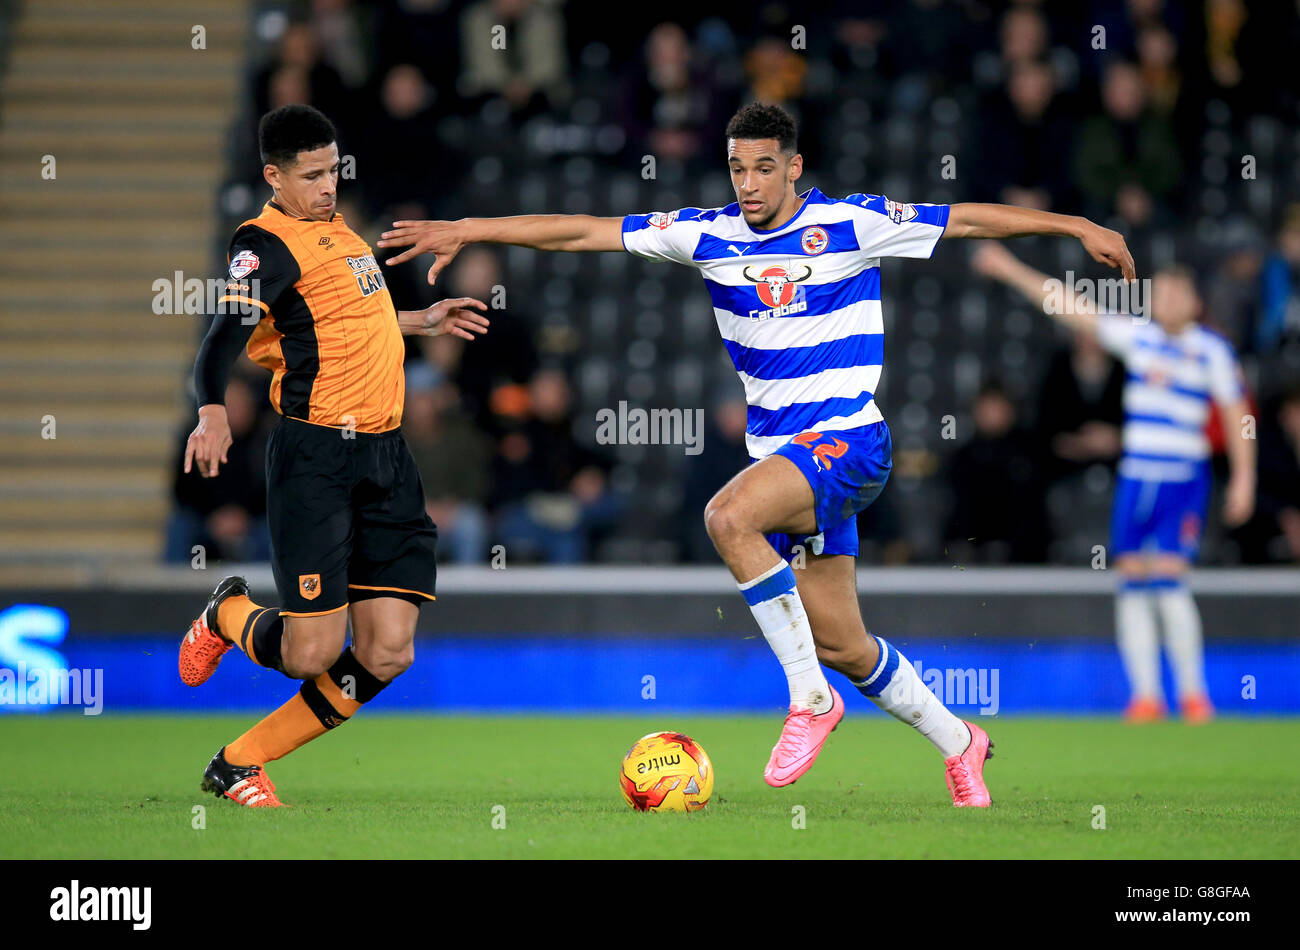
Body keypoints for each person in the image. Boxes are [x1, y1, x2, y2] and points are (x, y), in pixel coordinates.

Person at [377, 102, 1136, 807]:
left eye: (763, 167)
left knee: (728, 515)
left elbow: (968, 220)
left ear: (794, 166)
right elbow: (583, 230)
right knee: (843, 641)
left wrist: (1073, 225)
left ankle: (807, 699)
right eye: (738, 167)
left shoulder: (853, 223)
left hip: (849, 442)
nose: (748, 183)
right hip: (789, 465)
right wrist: (469, 228)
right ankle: (960, 740)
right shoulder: (706, 234)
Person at [180, 104, 490, 807]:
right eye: (313, 175)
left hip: (385, 455)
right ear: (273, 177)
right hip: (315, 458)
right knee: (309, 653)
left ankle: (240, 762)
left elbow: (340, 319)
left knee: (387, 651)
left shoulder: (340, 233)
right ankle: (229, 615)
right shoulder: (263, 243)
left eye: (334, 170)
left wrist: (417, 320)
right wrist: (211, 409)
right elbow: (221, 336)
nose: (328, 185)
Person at [972, 241, 1255, 723]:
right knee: (1132, 582)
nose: (1164, 302)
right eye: (1158, 293)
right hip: (1137, 478)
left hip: (1181, 478)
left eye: (1174, 293)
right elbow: (1068, 305)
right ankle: (1146, 696)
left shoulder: (1210, 350)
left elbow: (1236, 414)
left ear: (1194, 301)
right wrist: (1009, 268)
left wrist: (1244, 480)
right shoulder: (1139, 339)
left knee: (1168, 582)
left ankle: (1192, 694)